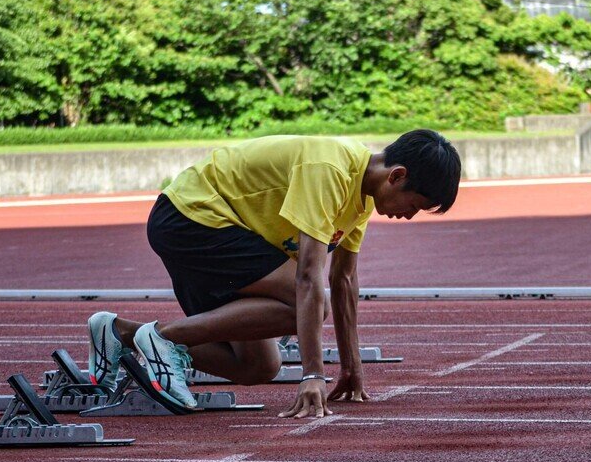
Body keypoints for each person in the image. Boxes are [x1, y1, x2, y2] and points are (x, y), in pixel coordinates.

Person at [84, 129, 460, 418]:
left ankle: (120, 332)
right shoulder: (329, 169)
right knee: (306, 302)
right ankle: (163, 338)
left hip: (225, 235)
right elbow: (308, 279)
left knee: (258, 365)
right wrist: (313, 374)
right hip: (191, 217)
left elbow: (343, 282)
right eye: (414, 205)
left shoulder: (361, 201)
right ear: (396, 175)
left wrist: (351, 367)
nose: (409, 216)